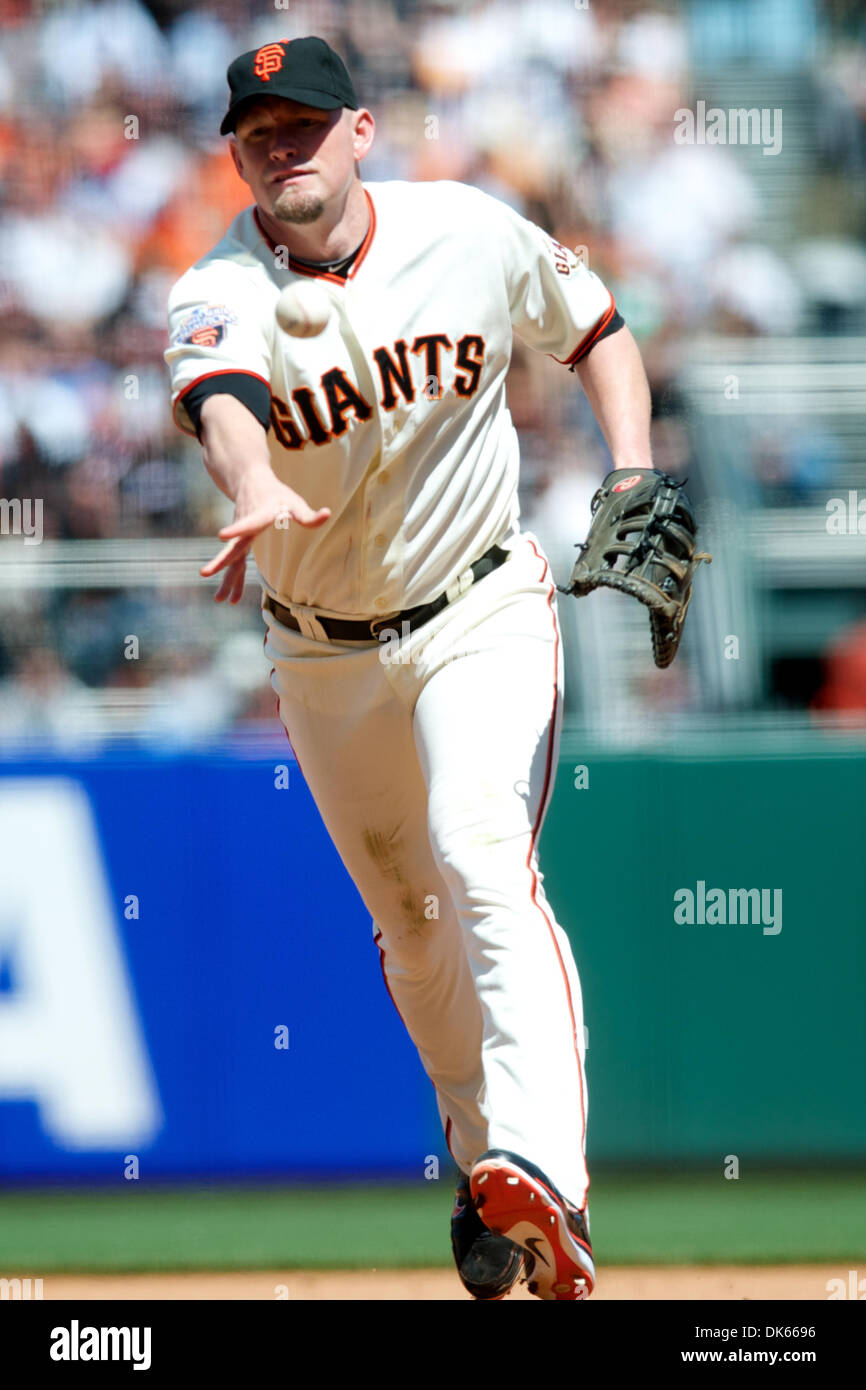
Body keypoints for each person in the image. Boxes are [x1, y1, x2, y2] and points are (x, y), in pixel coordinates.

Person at [165, 35, 654, 1301]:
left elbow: (596, 327)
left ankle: (548, 1172)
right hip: (322, 653)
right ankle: (483, 1159)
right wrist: (254, 473)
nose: (283, 143)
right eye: (258, 126)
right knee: (413, 926)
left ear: (362, 130)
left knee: (478, 845)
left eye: (305, 121)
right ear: (237, 150)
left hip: (479, 605)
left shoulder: (467, 228)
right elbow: (221, 398)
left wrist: (636, 463)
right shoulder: (214, 285)